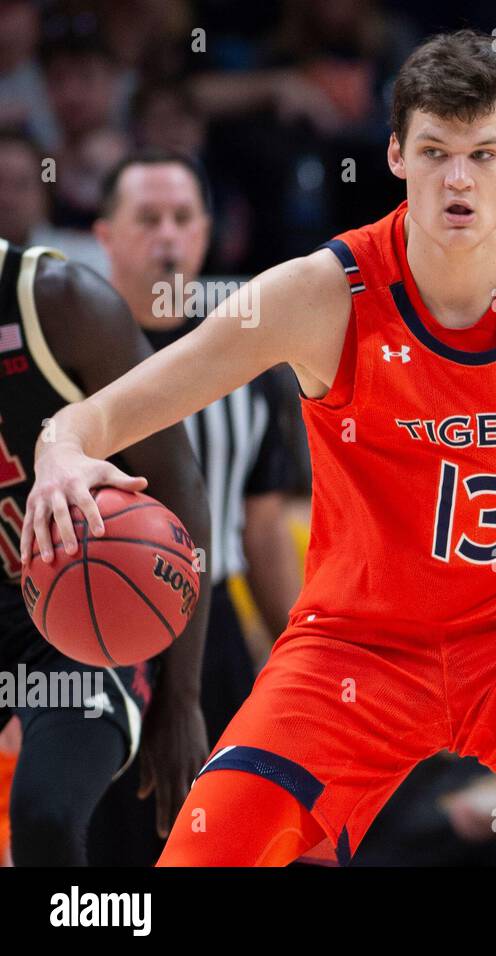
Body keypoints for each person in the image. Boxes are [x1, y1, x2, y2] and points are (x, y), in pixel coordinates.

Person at [22, 29, 496, 867]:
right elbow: (114, 409)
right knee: (203, 855)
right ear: (394, 156)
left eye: (483, 154)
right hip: (354, 646)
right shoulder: (321, 294)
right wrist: (60, 447)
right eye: (435, 152)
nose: (458, 179)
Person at [85, 150, 304, 865]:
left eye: (183, 219)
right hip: (90, 642)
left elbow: (263, 526)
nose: (169, 238)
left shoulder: (253, 362)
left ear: (207, 233)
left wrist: (301, 658)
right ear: (106, 235)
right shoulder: (64, 351)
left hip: (212, 640)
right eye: (147, 220)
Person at [0, 239, 210, 864]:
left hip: (82, 603)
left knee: (45, 815)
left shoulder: (59, 303)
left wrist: (181, 699)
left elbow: (180, 485)